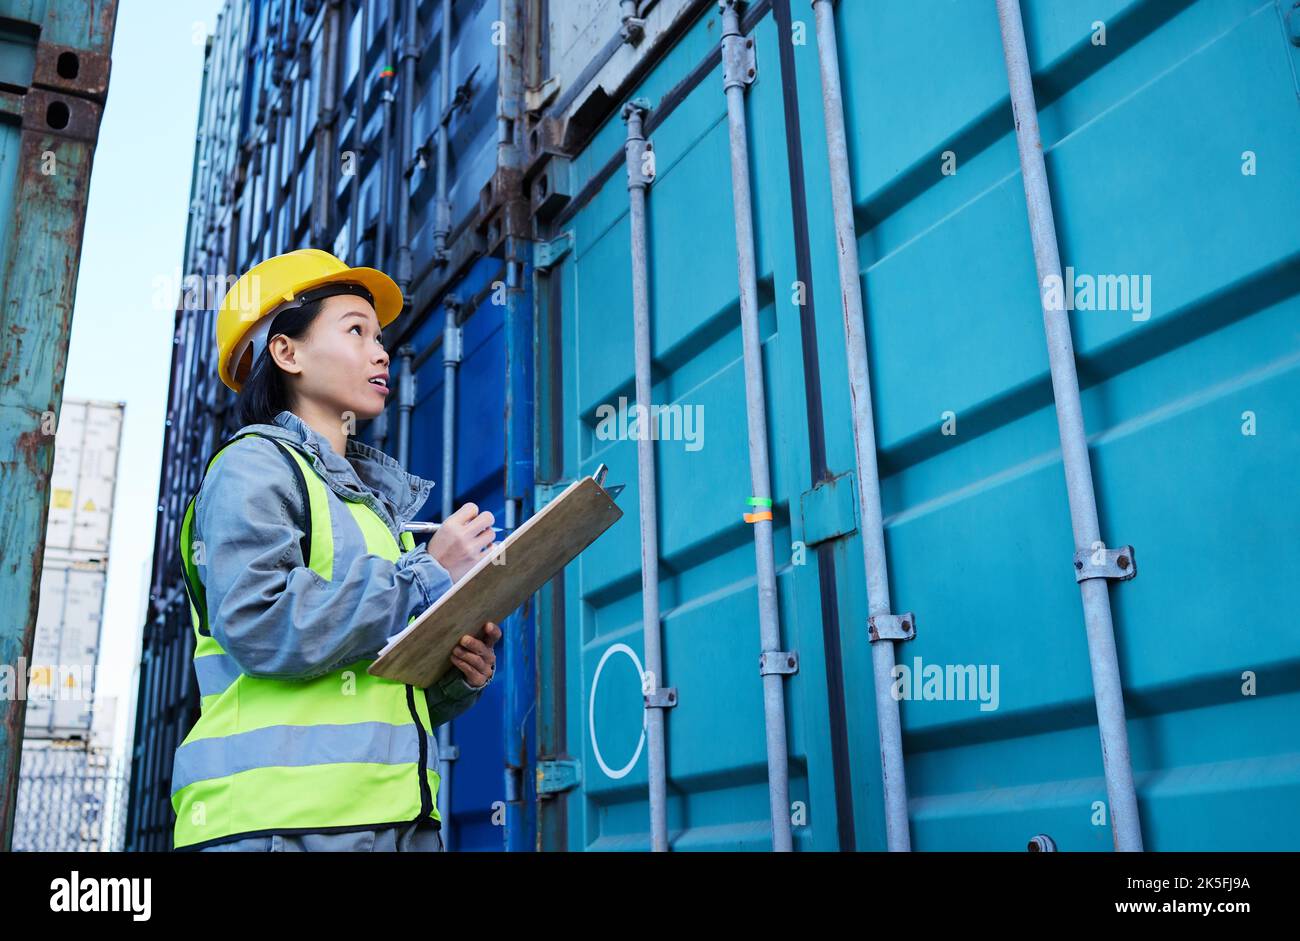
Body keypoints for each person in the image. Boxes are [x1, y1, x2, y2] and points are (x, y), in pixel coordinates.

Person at [170, 248, 499, 852]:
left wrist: (451, 675)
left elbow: (359, 680)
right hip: (275, 826)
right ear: (286, 352)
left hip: (387, 825)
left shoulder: (369, 508)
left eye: (380, 337)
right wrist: (426, 577)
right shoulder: (252, 468)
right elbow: (262, 624)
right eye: (355, 330)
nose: (382, 353)